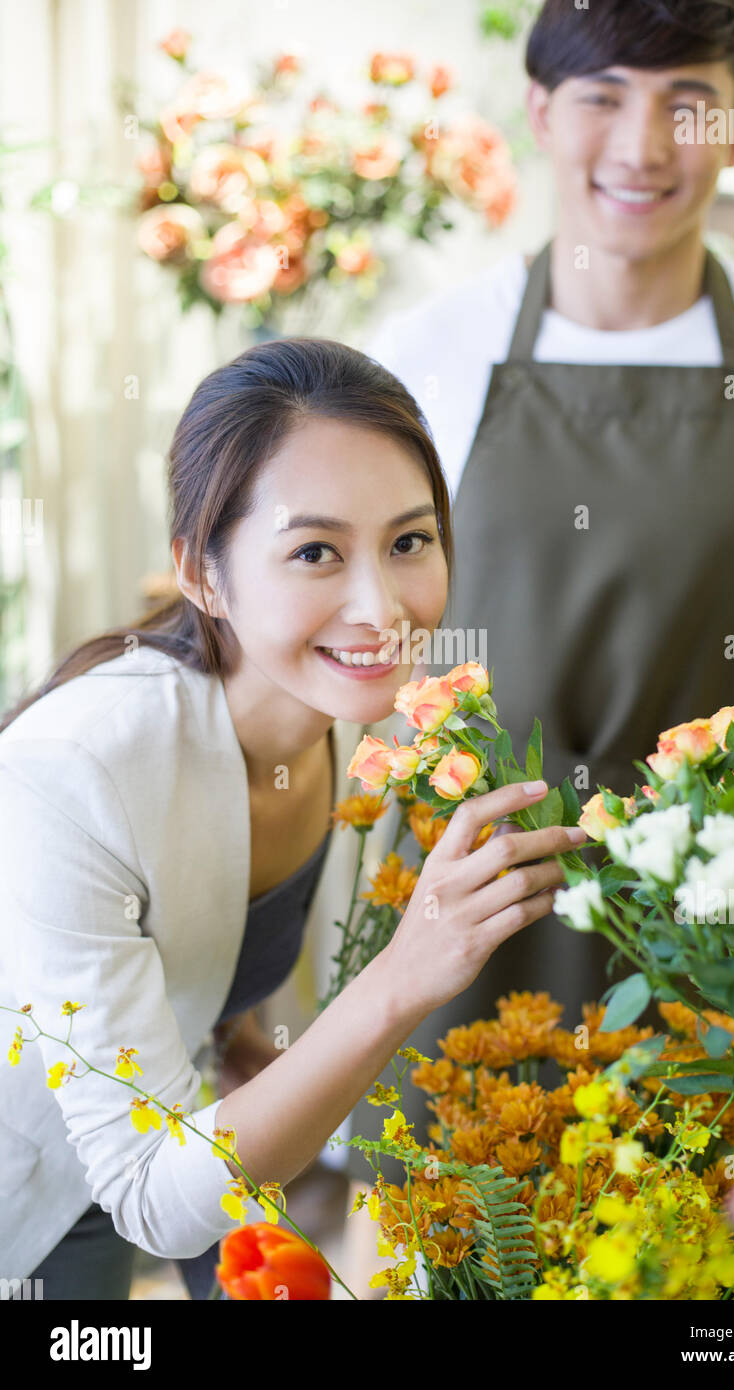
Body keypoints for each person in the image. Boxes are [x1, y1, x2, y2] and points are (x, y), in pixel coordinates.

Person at [344, 0, 734, 1202]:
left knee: (706, 1262)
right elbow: (363, 652)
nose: (641, 146)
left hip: (714, 924)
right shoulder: (428, 355)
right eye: (600, 97)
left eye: (686, 100)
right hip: (471, 906)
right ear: (537, 113)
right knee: (469, 1238)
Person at [0, 337, 587, 1299]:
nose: (382, 607)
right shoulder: (75, 773)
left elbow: (204, 976)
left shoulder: (349, 726)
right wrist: (406, 974)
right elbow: (155, 1193)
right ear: (201, 570)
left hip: (143, 1183)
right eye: (315, 551)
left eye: (409, 541)